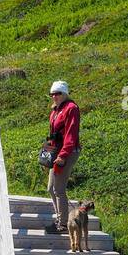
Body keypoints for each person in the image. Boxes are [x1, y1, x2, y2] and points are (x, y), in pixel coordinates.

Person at [46, 79, 81, 234]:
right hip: (56, 152)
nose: (54, 96)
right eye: (52, 94)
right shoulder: (55, 110)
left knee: (59, 189)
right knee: (50, 188)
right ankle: (61, 219)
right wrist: (48, 152)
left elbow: (71, 135)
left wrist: (63, 155)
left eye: (58, 93)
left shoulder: (71, 108)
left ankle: (63, 225)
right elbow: (53, 135)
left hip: (67, 152)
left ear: (65, 93)